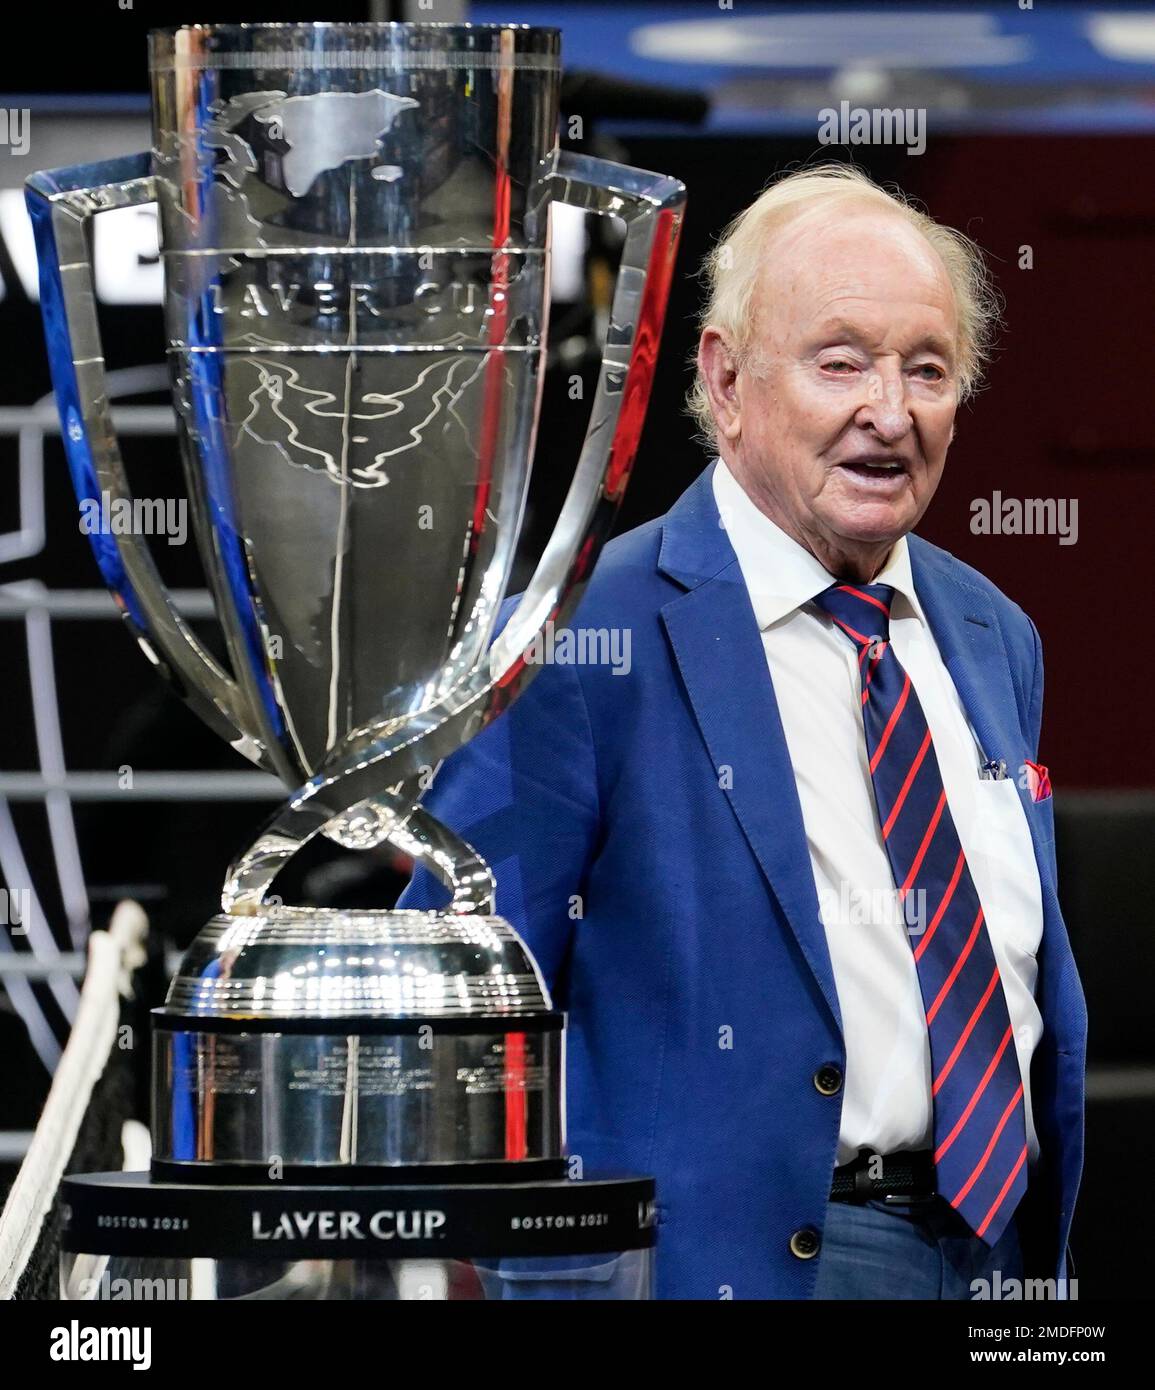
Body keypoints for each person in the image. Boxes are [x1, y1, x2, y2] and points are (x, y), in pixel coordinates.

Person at [398, 163, 1087, 1300]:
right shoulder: (582, 638)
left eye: (929, 369)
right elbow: (448, 1013)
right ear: (725, 382)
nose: (890, 410)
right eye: (841, 362)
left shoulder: (993, 632)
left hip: (995, 1261)